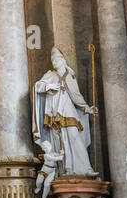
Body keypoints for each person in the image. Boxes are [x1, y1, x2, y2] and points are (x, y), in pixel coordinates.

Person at [33, 46, 96, 177]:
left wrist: (86, 108)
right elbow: (38, 86)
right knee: (59, 141)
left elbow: (76, 95)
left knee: (74, 136)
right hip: (54, 112)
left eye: (56, 60)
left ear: (62, 60)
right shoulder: (50, 75)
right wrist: (49, 86)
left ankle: (86, 168)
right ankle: (66, 170)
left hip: (68, 110)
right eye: (53, 60)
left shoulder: (69, 75)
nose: (54, 62)